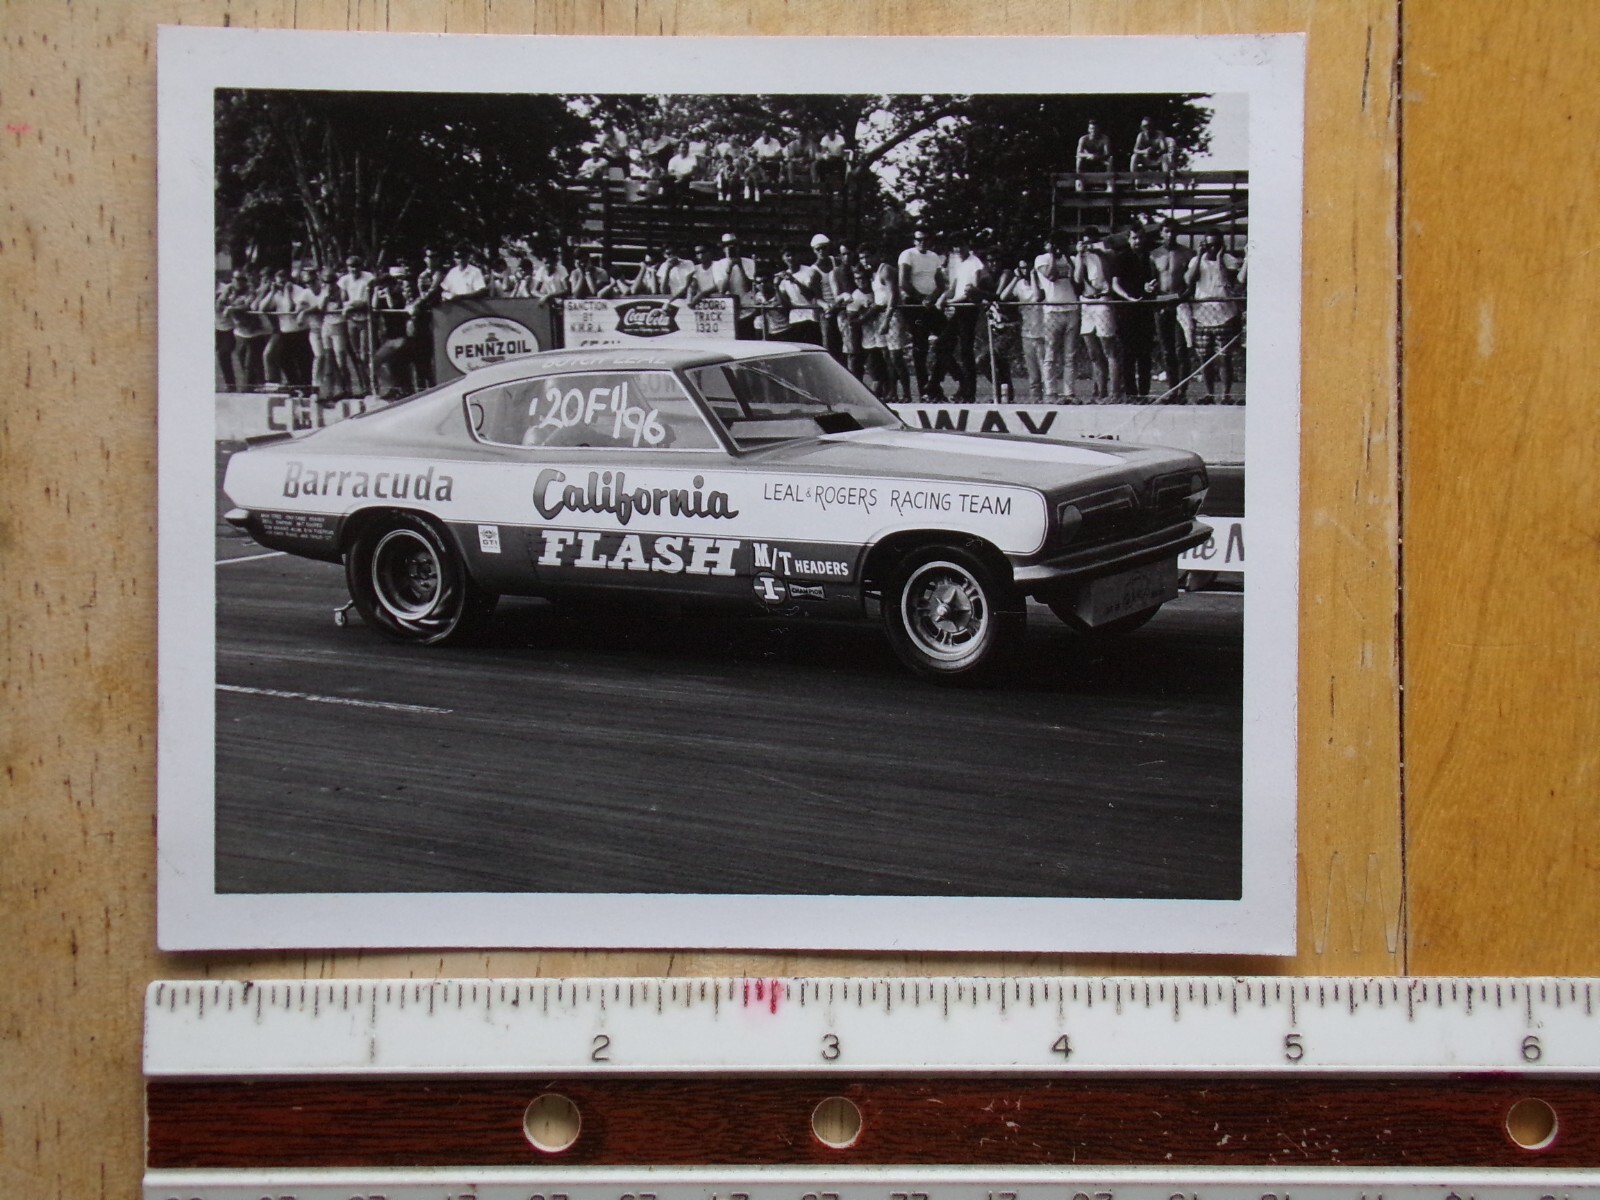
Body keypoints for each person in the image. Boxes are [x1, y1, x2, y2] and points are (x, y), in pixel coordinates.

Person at [1185, 232, 1244, 402]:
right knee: (1205, 357)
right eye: (1209, 245)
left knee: (1224, 357)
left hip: (1224, 314)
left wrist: (1219, 260)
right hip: (1202, 314)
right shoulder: (1196, 261)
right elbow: (1189, 280)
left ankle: (1226, 395)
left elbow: (1228, 282)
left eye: (1216, 245)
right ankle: (1209, 394)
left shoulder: (1229, 260)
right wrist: (1199, 256)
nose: (1212, 249)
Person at [897, 228, 946, 400]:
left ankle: (934, 383)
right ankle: (924, 391)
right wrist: (921, 298)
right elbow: (903, 282)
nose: (922, 243)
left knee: (947, 338)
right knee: (920, 348)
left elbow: (941, 283)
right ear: (914, 241)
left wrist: (932, 298)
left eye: (925, 239)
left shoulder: (934, 257)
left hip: (930, 304)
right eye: (919, 240)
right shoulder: (907, 255)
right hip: (914, 304)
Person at [1148, 222, 1194, 401]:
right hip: (1162, 305)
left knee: (1181, 348)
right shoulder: (1154, 254)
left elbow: (1191, 283)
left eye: (1173, 232)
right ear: (1161, 233)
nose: (1170, 235)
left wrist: (1182, 297)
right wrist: (1151, 290)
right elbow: (1151, 280)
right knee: (1167, 350)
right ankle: (1172, 390)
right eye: (1167, 231)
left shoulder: (1187, 253)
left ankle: (1182, 391)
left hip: (1180, 304)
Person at [1033, 234, 1081, 402]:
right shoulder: (1041, 259)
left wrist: (1067, 258)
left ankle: (1069, 392)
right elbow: (1051, 276)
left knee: (1070, 355)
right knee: (1051, 353)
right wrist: (1053, 255)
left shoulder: (1070, 259)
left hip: (1071, 308)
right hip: (1052, 311)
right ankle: (1050, 392)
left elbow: (1076, 281)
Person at [1110, 225, 1156, 398]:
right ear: (1128, 239)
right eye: (1134, 238)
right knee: (1128, 354)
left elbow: (1151, 282)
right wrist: (1128, 297)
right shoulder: (1121, 258)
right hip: (1126, 311)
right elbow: (1115, 284)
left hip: (1145, 310)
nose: (1138, 241)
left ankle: (1144, 393)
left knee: (1145, 354)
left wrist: (1150, 287)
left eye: (1140, 238)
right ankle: (1130, 393)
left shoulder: (1148, 257)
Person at [1074, 229, 1120, 400]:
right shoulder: (1081, 257)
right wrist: (1080, 256)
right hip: (1087, 302)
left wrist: (1096, 249)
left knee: (1109, 349)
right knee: (1094, 352)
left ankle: (1115, 392)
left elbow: (1109, 259)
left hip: (1102, 301)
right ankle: (1100, 392)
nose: (1089, 246)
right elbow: (1077, 279)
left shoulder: (1106, 253)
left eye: (1091, 242)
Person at [940, 237, 987, 402]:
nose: (958, 250)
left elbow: (971, 291)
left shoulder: (975, 263)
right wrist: (942, 298)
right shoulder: (960, 264)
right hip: (959, 308)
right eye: (955, 248)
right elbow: (954, 287)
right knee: (942, 346)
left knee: (966, 351)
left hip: (968, 308)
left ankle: (969, 392)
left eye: (961, 246)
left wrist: (951, 301)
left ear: (967, 246)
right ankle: (962, 382)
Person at [864, 244, 907, 402]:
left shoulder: (886, 270)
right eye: (862, 258)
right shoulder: (872, 273)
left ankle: (907, 393)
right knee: (887, 357)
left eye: (868, 256)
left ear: (876, 255)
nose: (865, 260)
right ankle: (892, 392)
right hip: (880, 315)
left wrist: (887, 320)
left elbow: (893, 296)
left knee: (896, 357)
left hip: (892, 315)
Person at [370, 259, 418, 397]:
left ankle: (404, 390)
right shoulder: (382, 297)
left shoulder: (399, 295)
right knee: (375, 363)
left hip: (400, 337)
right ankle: (391, 386)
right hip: (388, 338)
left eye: (386, 285)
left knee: (399, 365)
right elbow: (374, 306)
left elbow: (393, 306)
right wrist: (376, 292)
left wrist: (388, 294)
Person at [338, 255, 376, 383]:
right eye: (351, 267)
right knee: (356, 354)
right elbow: (342, 299)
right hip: (351, 320)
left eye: (356, 266)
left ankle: (373, 383)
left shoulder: (368, 277)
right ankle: (364, 384)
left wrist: (350, 306)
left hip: (365, 319)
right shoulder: (344, 280)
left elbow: (366, 301)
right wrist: (349, 306)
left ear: (361, 266)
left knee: (366, 354)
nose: (354, 269)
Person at [773, 247, 820, 343]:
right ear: (783, 258)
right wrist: (776, 286)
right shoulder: (783, 276)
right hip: (795, 319)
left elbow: (811, 296)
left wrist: (794, 280)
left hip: (812, 316)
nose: (791, 258)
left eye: (793, 255)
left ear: (799, 256)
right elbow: (785, 304)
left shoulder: (809, 271)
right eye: (787, 256)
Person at [1075, 119, 1113, 188]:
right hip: (1088, 159)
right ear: (1088, 129)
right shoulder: (1083, 139)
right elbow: (1078, 153)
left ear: (1099, 129)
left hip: (1101, 159)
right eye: (1091, 128)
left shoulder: (1105, 138)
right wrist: (1088, 155)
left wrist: (1097, 156)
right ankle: (1079, 182)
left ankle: (1109, 184)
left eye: (1095, 128)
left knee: (1110, 159)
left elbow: (1107, 153)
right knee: (1079, 159)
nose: (1093, 130)